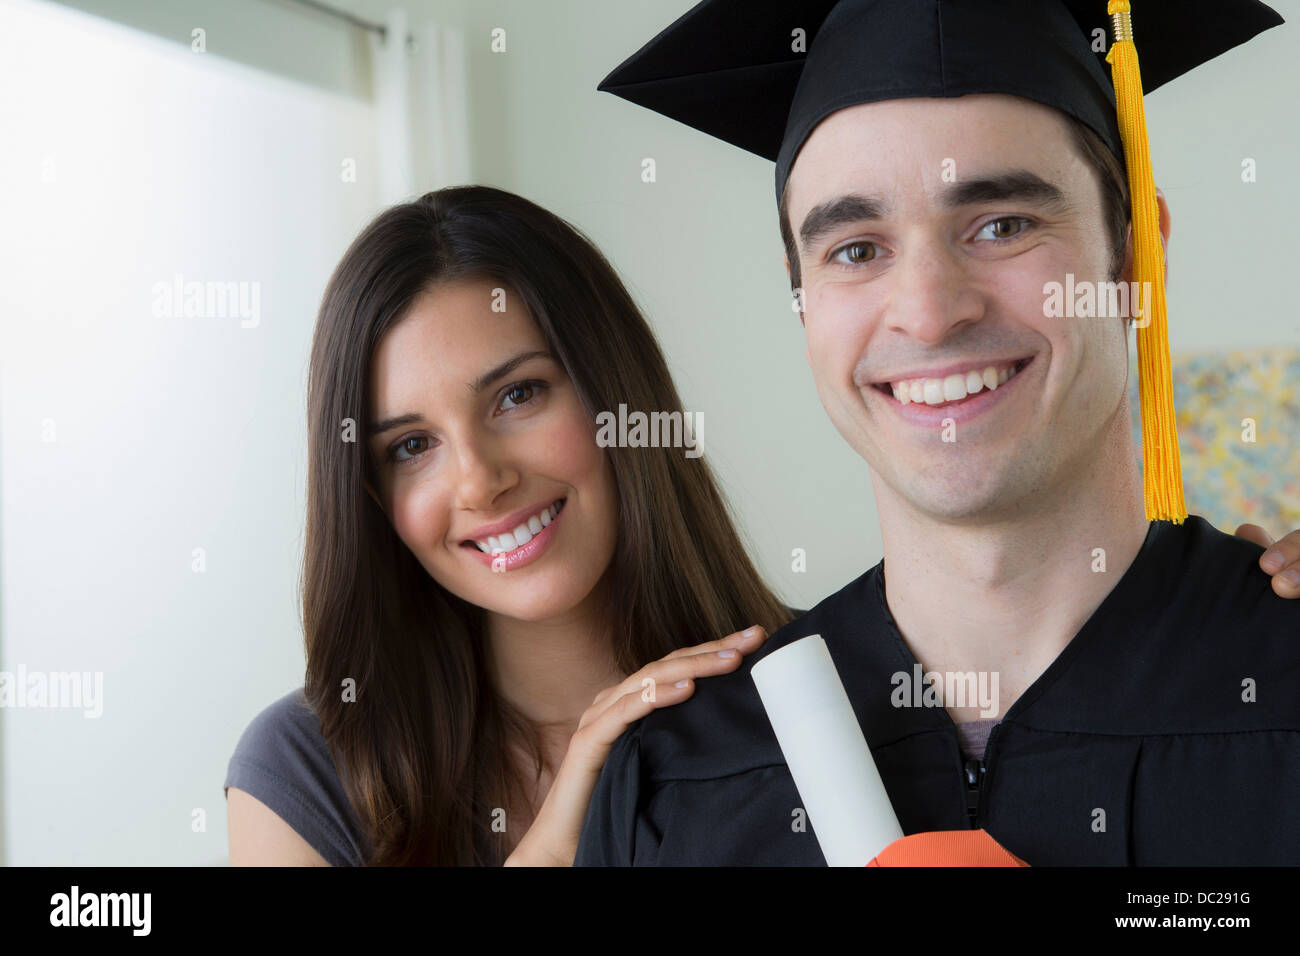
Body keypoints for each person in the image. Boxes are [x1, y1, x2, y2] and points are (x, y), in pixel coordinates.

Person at [576, 0, 1300, 865]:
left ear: (1138, 256)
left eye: (1002, 225)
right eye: (855, 248)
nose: (927, 311)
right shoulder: (680, 780)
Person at [224, 185, 792, 865]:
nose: (479, 482)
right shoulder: (303, 774)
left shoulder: (830, 691)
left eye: (517, 396)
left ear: (614, 391)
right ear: (373, 498)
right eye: (411, 446)